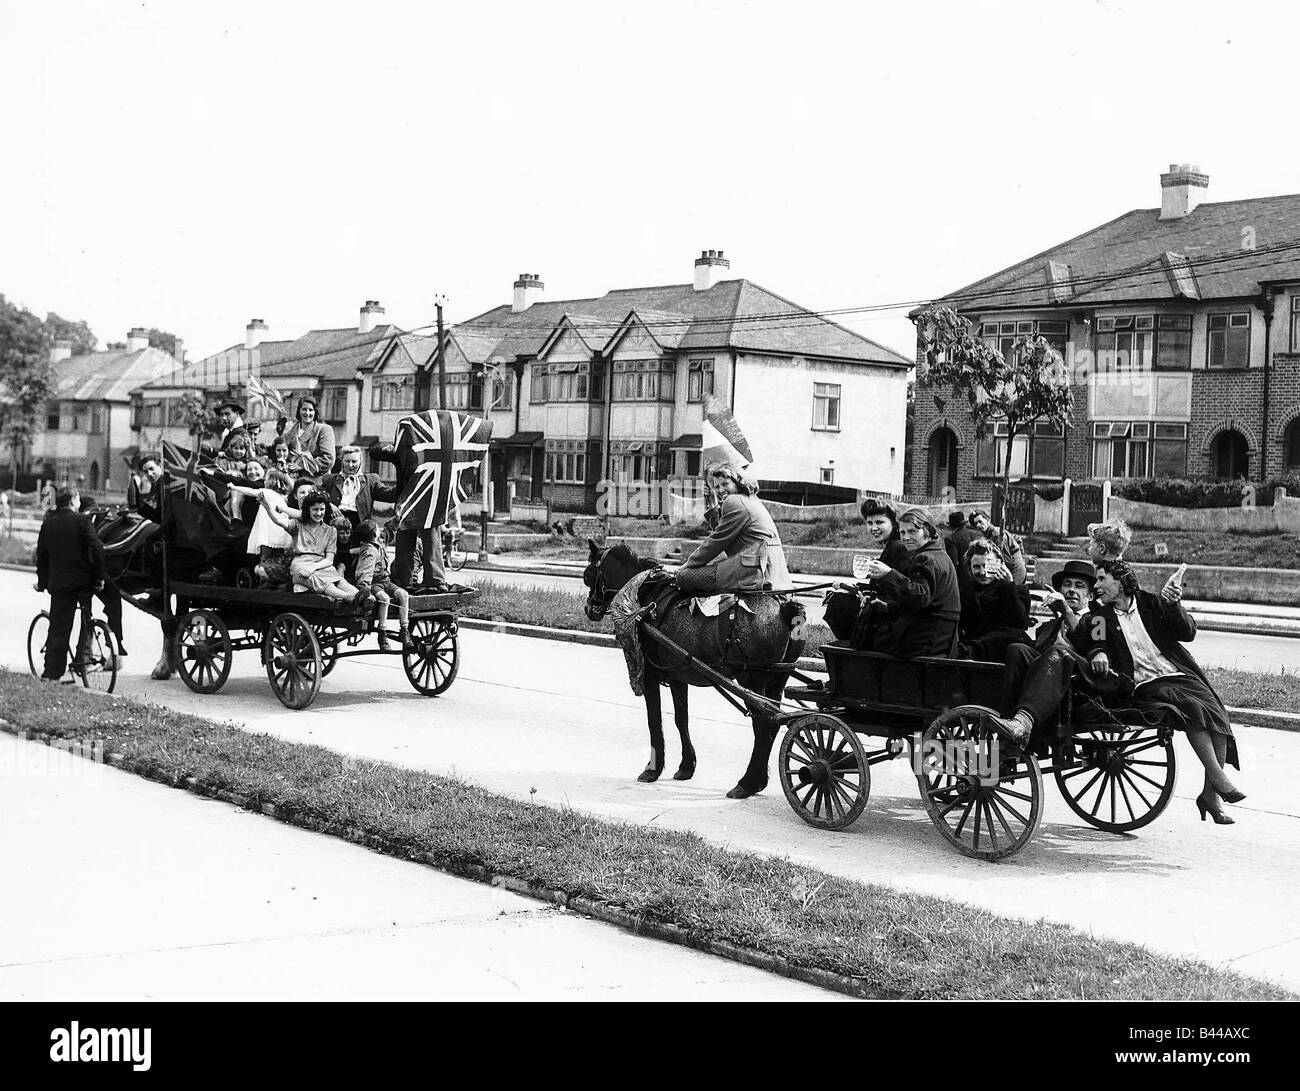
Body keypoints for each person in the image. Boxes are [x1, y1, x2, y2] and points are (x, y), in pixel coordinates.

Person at [1082, 558, 1245, 824]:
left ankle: (1210, 793)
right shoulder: (1101, 615)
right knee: (1192, 708)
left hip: (1177, 673)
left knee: (1215, 711)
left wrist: (1173, 604)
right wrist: (1098, 652)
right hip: (1144, 684)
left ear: (1121, 581)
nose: (1096, 585)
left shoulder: (1152, 603)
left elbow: (1188, 632)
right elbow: (1096, 640)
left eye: (1102, 579)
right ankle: (1217, 778)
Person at [854, 506, 961, 658]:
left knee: (867, 636)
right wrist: (889, 606)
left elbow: (920, 597)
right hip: (941, 634)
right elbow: (925, 598)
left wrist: (889, 574)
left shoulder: (925, 558)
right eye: (902, 532)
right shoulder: (939, 554)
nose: (906, 537)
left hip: (928, 635)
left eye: (912, 531)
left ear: (927, 531)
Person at [675, 464, 792, 594]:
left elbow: (716, 541)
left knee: (683, 577)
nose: (720, 490)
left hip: (753, 571)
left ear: (737, 482)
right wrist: (712, 501)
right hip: (770, 569)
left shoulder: (733, 501)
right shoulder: (750, 499)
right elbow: (723, 531)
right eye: (717, 487)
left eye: (725, 484)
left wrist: (687, 565)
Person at [35, 488, 106, 682]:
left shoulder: (48, 524)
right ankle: (82, 659)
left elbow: (42, 557)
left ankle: (52, 673)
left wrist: (42, 583)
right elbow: (97, 548)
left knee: (59, 628)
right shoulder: (83, 521)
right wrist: (99, 577)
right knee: (86, 619)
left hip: (60, 584)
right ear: (73, 501)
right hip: (84, 583)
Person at [824, 498, 908, 641]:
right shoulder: (892, 545)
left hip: (893, 619)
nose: (874, 528)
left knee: (838, 604)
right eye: (870, 523)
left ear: (893, 522)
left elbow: (896, 590)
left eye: (879, 522)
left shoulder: (898, 547)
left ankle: (853, 647)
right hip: (891, 612)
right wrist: (852, 588)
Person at [256, 489, 358, 601]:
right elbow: (278, 520)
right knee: (317, 579)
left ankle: (362, 596)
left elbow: (329, 560)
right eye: (315, 509)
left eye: (322, 509)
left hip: (322, 565)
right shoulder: (297, 525)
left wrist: (313, 567)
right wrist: (267, 506)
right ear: (308, 510)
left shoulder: (331, 531)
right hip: (301, 565)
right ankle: (347, 597)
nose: (319, 513)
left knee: (339, 581)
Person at [957, 540, 1030, 661]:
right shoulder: (967, 591)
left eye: (987, 566)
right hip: (972, 651)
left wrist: (1009, 586)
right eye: (976, 567)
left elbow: (1020, 623)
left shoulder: (1017, 590)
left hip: (1001, 652)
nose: (983, 572)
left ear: (1000, 565)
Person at [352, 519, 412, 651]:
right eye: (377, 528)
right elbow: (364, 571)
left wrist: (398, 517)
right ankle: (382, 632)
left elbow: (389, 530)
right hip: (374, 584)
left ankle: (404, 629)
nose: (380, 530)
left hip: (385, 581)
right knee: (384, 599)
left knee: (403, 595)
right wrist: (364, 588)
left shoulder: (379, 543)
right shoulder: (369, 551)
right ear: (374, 533)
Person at [318, 445, 398, 529]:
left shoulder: (370, 481)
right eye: (347, 461)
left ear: (360, 462)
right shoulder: (331, 480)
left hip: (360, 524)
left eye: (354, 461)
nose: (350, 465)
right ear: (342, 462)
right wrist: (329, 505)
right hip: (335, 523)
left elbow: (389, 495)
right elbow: (318, 495)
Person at [283, 396, 336, 479]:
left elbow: (328, 459)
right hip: (293, 480)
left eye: (311, 410)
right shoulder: (289, 434)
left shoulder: (323, 430)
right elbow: (283, 455)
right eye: (304, 409)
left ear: (315, 412)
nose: (307, 413)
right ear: (299, 411)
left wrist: (303, 466)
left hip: (317, 481)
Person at [969, 509, 1027, 584]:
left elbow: (1006, 559)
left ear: (987, 519)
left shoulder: (996, 535)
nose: (978, 525)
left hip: (1014, 571)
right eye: (975, 523)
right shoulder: (988, 534)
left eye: (980, 521)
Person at [943, 510, 983, 580]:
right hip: (980, 572)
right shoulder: (977, 534)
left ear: (951, 526)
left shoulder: (951, 539)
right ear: (964, 523)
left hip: (963, 577)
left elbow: (954, 562)